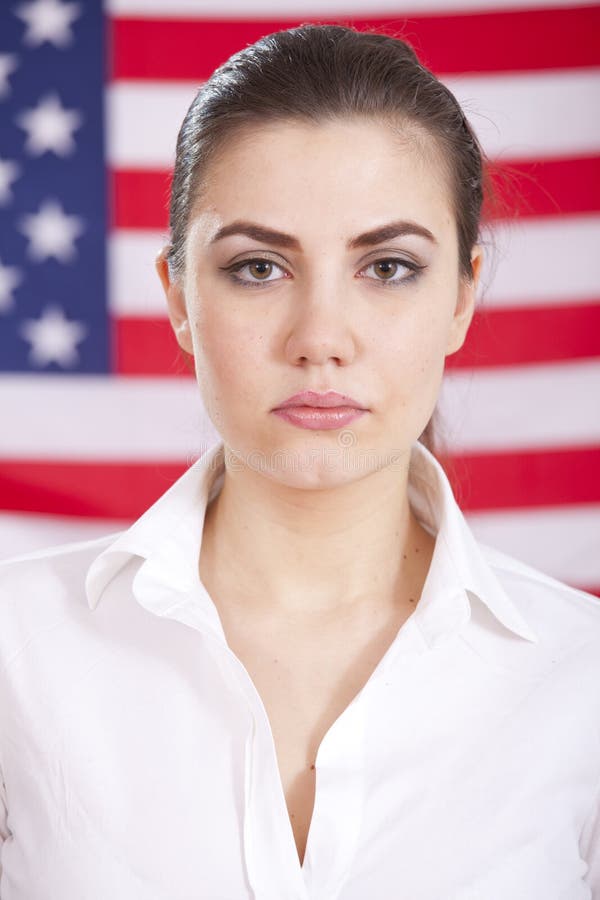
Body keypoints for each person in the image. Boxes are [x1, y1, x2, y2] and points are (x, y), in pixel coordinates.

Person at [0, 22, 598, 900]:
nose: (320, 338)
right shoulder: (17, 649)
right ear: (178, 297)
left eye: (387, 268)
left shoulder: (582, 681)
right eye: (258, 268)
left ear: (463, 297)